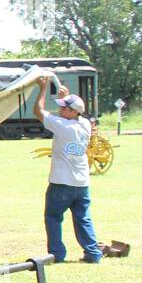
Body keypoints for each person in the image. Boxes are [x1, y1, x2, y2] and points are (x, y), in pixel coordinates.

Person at [32, 71, 102, 263]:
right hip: (81, 182)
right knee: (83, 219)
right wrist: (66, 98)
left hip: (61, 182)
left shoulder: (62, 126)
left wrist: (43, 88)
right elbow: (68, 113)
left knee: (53, 218)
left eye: (64, 108)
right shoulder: (85, 123)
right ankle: (93, 253)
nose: (61, 110)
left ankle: (57, 254)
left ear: (72, 112)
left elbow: (38, 112)